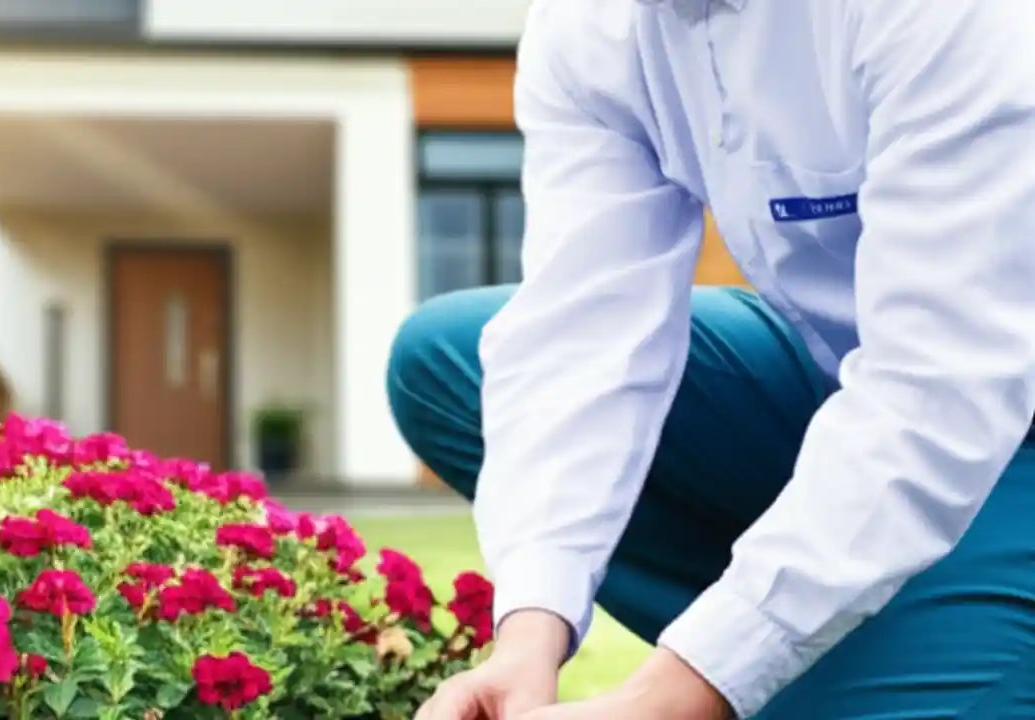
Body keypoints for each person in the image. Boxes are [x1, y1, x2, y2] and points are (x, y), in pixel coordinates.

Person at [387, 1, 1035, 717]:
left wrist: (674, 696)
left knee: (783, 696)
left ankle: (857, 631)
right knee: (445, 360)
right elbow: (579, 331)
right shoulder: (589, 24)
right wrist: (528, 637)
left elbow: (943, 389)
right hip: (850, 374)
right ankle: (836, 619)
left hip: (994, 402)